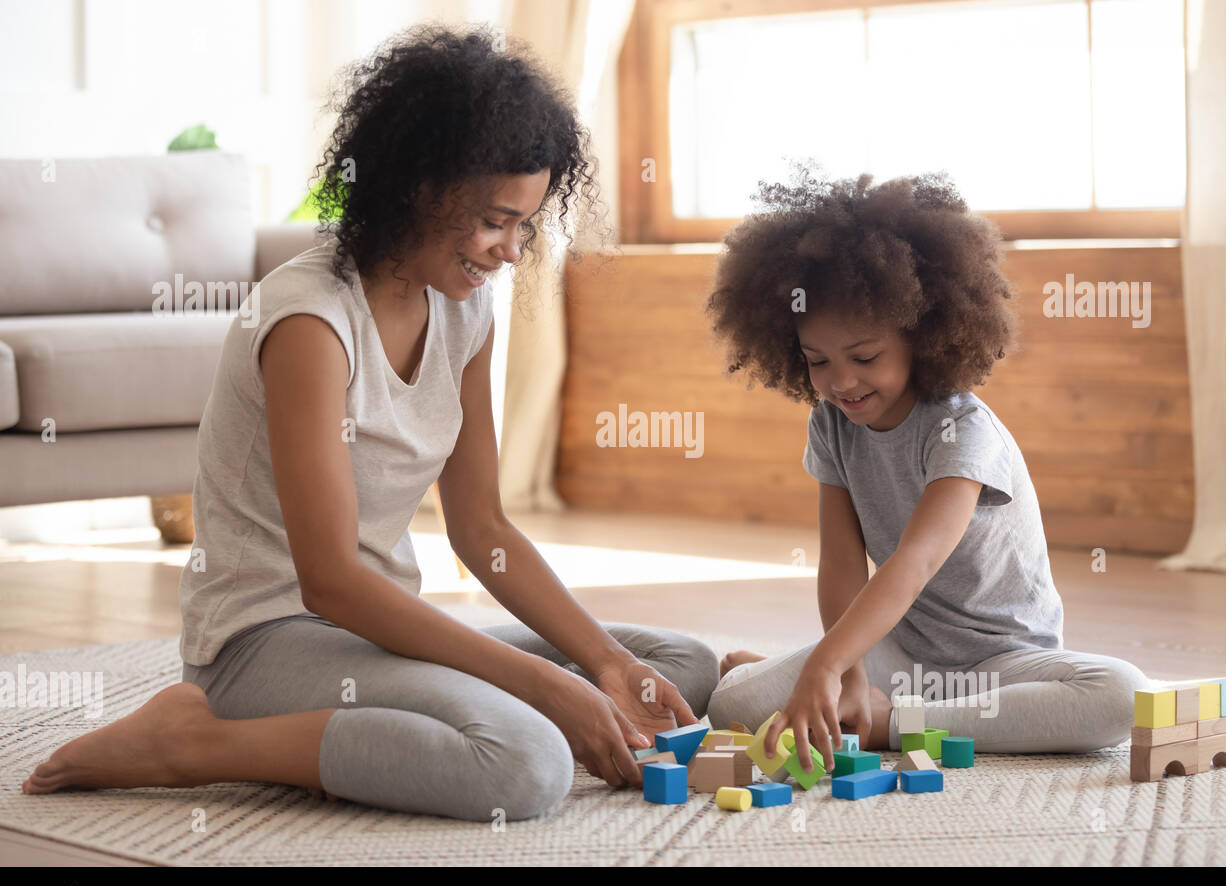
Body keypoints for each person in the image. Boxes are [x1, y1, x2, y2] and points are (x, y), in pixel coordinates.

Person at [21, 24, 718, 821]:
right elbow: (331, 583)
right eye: (496, 220)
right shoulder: (312, 324)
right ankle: (194, 740)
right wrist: (545, 685)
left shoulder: (467, 311)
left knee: (670, 664)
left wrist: (598, 662)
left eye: (524, 224)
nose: (511, 251)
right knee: (524, 762)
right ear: (420, 186)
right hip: (268, 644)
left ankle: (432, 712)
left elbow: (482, 524)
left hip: (377, 637)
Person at [702, 166, 1148, 775]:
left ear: (923, 332)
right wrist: (849, 669)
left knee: (1119, 696)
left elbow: (913, 564)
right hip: (903, 653)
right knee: (733, 700)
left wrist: (825, 669)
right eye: (817, 361)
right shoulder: (832, 424)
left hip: (1005, 662)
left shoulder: (963, 431)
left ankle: (889, 723)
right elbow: (839, 562)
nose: (840, 382)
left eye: (865, 357)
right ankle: (863, 696)